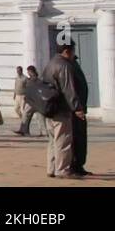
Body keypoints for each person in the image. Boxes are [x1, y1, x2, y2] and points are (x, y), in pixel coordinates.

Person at [41, 43, 86, 179]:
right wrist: (77, 108)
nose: (73, 55)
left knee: (53, 140)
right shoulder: (64, 65)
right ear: (67, 51)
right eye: (73, 52)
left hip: (49, 108)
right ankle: (63, 170)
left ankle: (52, 168)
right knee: (63, 140)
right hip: (61, 109)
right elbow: (68, 89)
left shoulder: (50, 64)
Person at [68, 48, 92, 176]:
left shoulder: (74, 64)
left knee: (81, 139)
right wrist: (76, 108)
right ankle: (74, 165)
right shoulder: (67, 66)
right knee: (75, 139)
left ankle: (79, 165)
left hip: (80, 108)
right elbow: (70, 89)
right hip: (74, 110)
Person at [15, 65, 46, 137]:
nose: (28, 73)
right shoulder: (30, 80)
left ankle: (43, 132)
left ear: (32, 71)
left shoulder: (37, 80)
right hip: (31, 101)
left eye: (29, 71)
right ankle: (24, 130)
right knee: (27, 115)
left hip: (35, 101)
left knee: (39, 116)